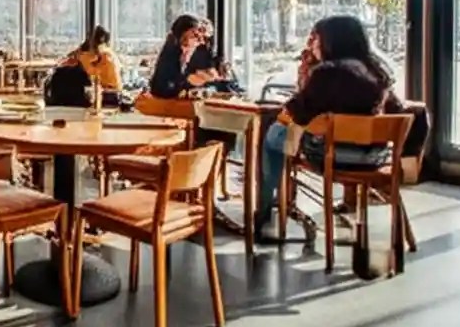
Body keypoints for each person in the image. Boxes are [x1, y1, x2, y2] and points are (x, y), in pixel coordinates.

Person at [254, 15, 403, 236]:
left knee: (272, 133)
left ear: (331, 41)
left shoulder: (327, 72)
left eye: (317, 38)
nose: (313, 44)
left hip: (331, 157)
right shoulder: (378, 73)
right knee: (284, 133)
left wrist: (305, 79)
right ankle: (280, 201)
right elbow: (397, 110)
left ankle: (265, 206)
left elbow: (298, 112)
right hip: (373, 158)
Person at [148, 14, 222, 98]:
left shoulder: (198, 50)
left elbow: (208, 72)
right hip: (166, 99)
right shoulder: (173, 52)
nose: (201, 41)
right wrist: (188, 80)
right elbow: (163, 86)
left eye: (203, 37)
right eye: (196, 36)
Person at [63, 25, 122, 90]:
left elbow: (93, 72)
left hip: (109, 93)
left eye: (90, 38)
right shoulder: (108, 53)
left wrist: (80, 57)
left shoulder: (104, 54)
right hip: (111, 91)